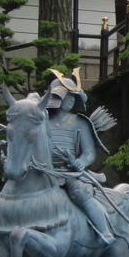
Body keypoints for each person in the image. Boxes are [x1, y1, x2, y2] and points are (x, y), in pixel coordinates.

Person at [45, 69, 115, 244]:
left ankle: (104, 231)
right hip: (44, 170)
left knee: (81, 193)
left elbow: (89, 152)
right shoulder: (42, 120)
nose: (69, 101)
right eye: (66, 97)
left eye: (72, 98)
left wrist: (80, 163)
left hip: (70, 173)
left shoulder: (80, 122)